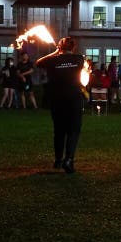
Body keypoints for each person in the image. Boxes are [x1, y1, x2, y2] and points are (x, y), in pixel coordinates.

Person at [36, 37, 86, 174]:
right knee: (73, 130)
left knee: (59, 130)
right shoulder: (79, 59)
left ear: (60, 47)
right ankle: (68, 160)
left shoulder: (52, 60)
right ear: (73, 47)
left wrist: (55, 52)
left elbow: (38, 63)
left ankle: (58, 160)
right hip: (74, 98)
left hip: (56, 98)